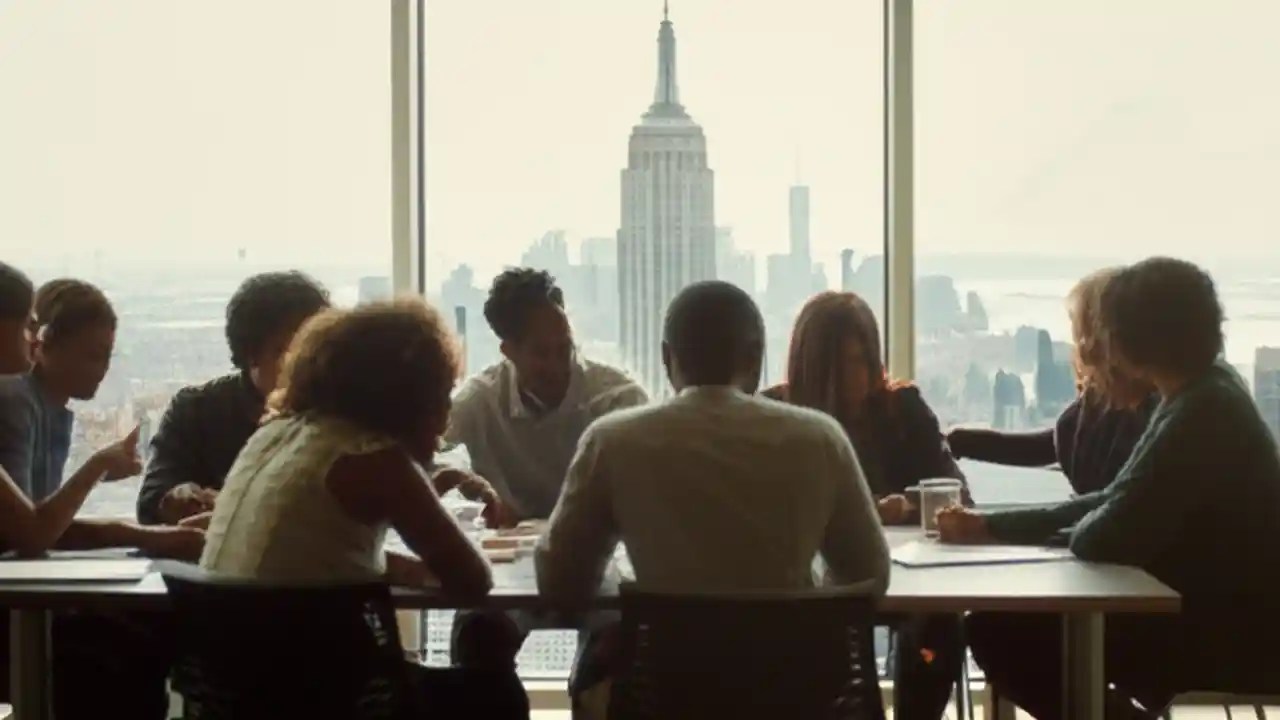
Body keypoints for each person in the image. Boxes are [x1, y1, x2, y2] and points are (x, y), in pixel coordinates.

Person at [939, 258, 1280, 719]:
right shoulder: (1207, 390)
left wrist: (1005, 527)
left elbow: (1101, 534)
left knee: (998, 634)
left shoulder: (1200, 412)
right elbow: (1117, 498)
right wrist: (991, 526)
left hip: (1226, 637)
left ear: (1134, 343)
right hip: (1229, 618)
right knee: (1009, 630)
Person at [536, 281, 889, 715]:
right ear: (756, 356)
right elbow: (870, 576)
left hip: (668, 693)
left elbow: (559, 582)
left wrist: (622, 584)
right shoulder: (820, 438)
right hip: (796, 693)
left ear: (668, 359)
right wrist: (809, 600)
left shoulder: (613, 442)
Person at [200, 299, 527, 718]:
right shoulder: (372, 456)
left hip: (235, 694)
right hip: (329, 696)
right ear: (408, 395)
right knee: (495, 689)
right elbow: (472, 579)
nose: (445, 415)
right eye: (441, 395)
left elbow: (311, 553)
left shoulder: (272, 435)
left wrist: (403, 566)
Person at [0, 278, 205, 719]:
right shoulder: (15, 401)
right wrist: (95, 469)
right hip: (8, 611)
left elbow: (36, 523)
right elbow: (31, 532)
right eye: (94, 355)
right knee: (133, 640)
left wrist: (155, 536)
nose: (102, 369)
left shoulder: (44, 410)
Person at [762, 290, 964, 720]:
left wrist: (909, 506)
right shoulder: (774, 414)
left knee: (938, 630)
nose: (857, 377)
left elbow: (956, 494)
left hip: (908, 579)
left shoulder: (902, 410)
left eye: (864, 361)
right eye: (843, 363)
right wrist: (867, 509)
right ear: (812, 364)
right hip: (813, 587)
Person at [443, 269, 647, 679]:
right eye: (541, 353)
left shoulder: (617, 398)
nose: (557, 365)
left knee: (617, 658)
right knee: (477, 645)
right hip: (508, 570)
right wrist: (458, 480)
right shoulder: (477, 402)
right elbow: (423, 454)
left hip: (600, 567)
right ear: (508, 350)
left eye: (564, 348)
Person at [137, 271, 331, 525]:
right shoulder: (197, 410)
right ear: (251, 353)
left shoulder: (335, 412)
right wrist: (179, 498)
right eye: (287, 352)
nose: (304, 365)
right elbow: (152, 502)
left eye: (313, 351)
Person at [946, 268, 1157, 496]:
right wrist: (959, 442)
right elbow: (1049, 445)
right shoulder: (1100, 399)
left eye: (1077, 327)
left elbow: (1112, 500)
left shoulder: (1150, 410)